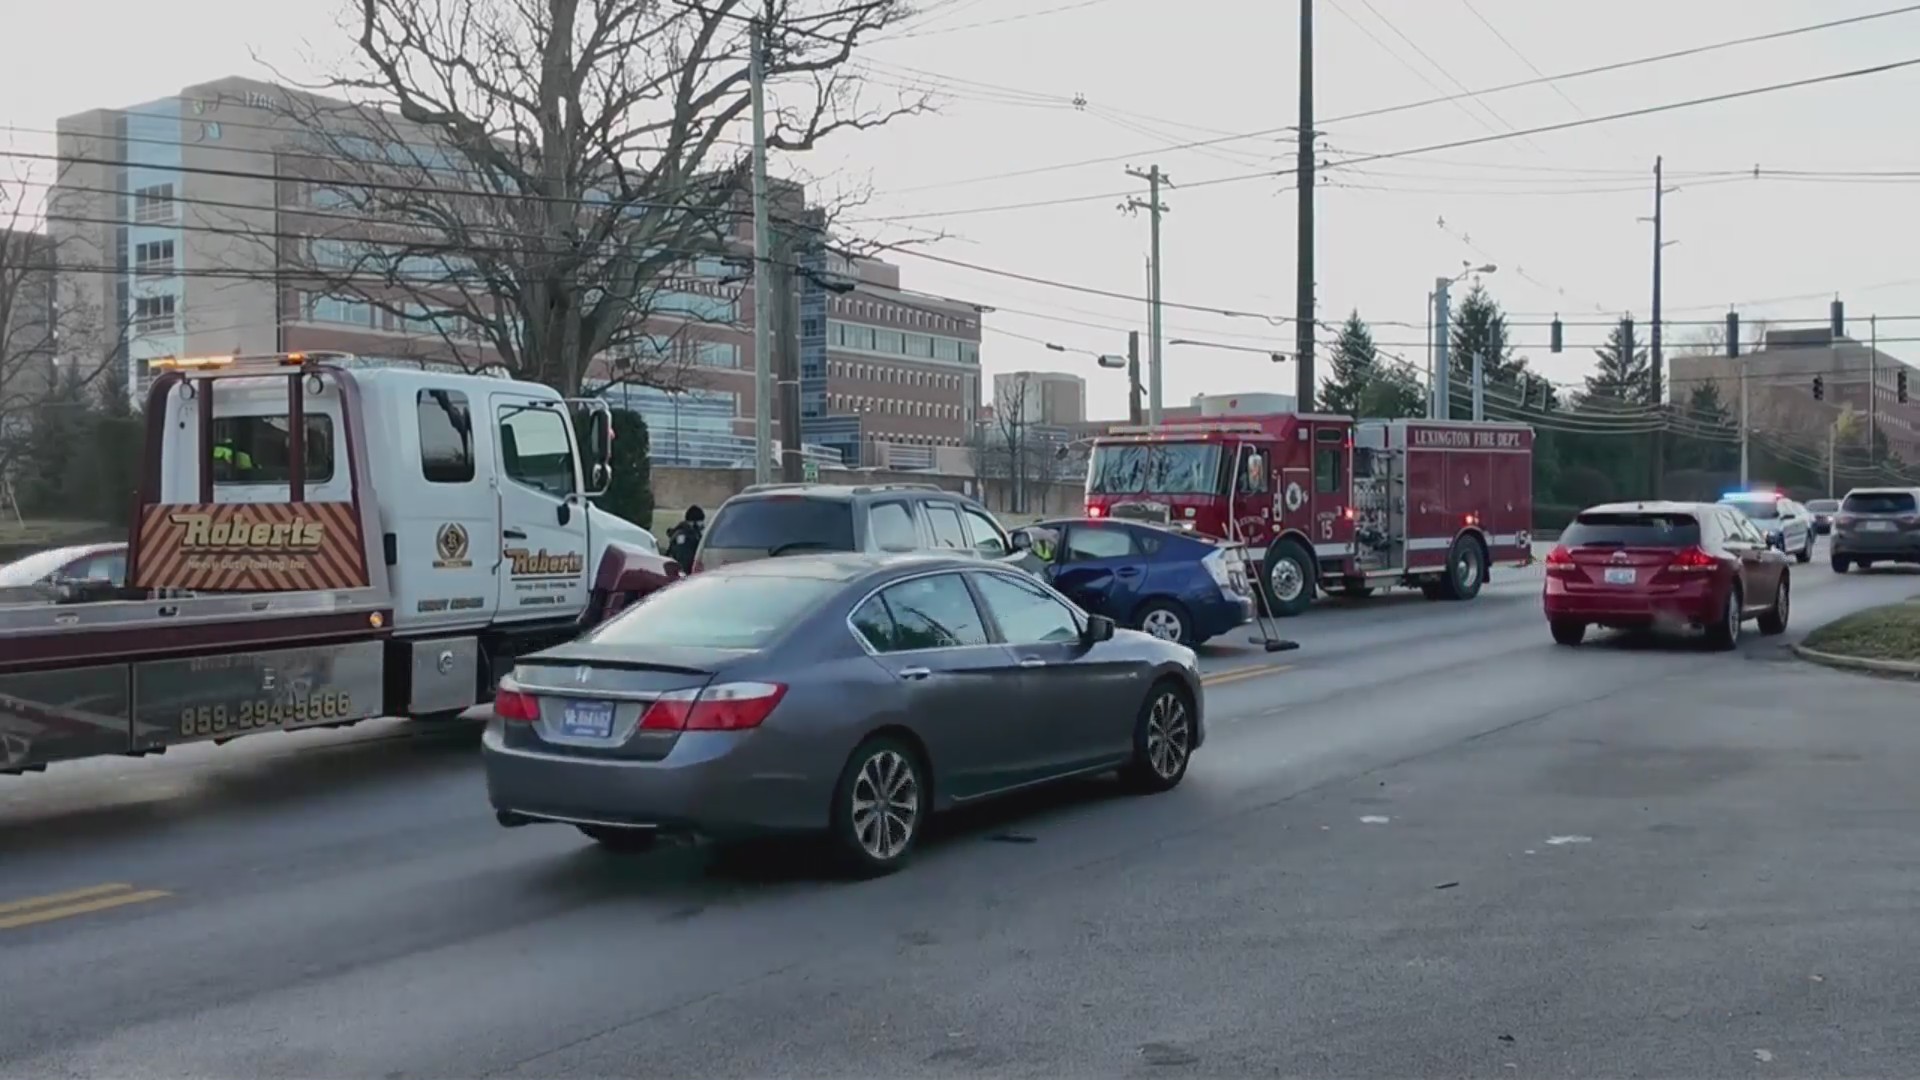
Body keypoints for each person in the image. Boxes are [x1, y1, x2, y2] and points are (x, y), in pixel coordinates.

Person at [665, 505, 705, 570]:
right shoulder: (684, 537)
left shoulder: (693, 534)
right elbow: (683, 559)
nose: (702, 524)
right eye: (700, 521)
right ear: (693, 522)